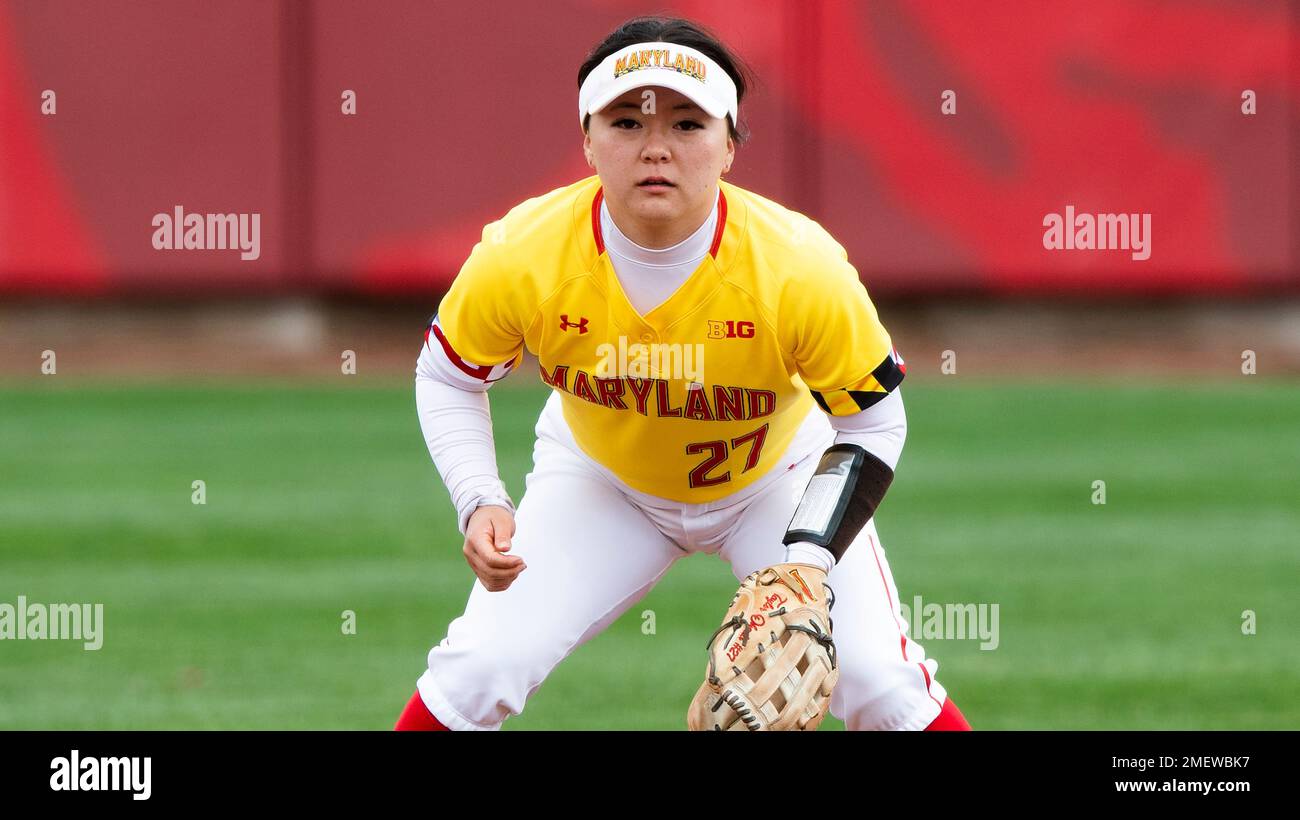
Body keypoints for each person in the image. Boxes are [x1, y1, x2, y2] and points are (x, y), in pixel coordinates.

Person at [395, 15, 970, 731]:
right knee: (479, 668)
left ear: (730, 144)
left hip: (775, 483)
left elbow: (874, 419)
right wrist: (480, 497)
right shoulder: (524, 254)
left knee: (883, 685)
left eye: (689, 124)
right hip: (603, 481)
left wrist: (810, 557)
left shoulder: (798, 267)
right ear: (586, 140)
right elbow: (448, 375)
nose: (656, 147)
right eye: (626, 122)